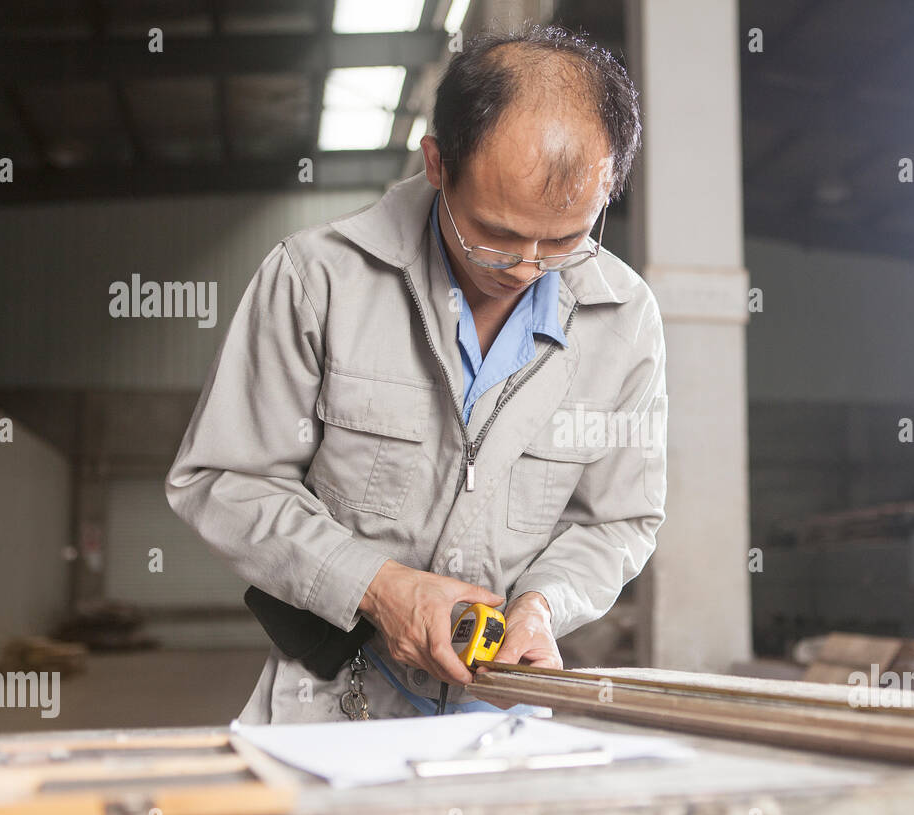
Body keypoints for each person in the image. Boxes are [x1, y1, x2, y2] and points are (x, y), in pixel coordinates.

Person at [165, 24, 667, 722]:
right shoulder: (318, 281)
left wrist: (543, 604)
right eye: (494, 234)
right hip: (332, 707)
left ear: (607, 187)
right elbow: (225, 479)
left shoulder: (626, 320)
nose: (526, 269)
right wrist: (377, 587)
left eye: (562, 240)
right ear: (437, 162)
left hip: (500, 712)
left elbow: (617, 521)